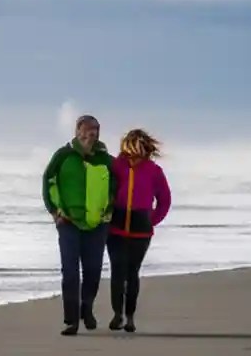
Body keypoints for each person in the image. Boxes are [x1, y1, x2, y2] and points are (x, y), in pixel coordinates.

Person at [42, 114, 115, 336]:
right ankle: (71, 321)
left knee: (93, 271)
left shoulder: (106, 160)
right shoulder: (63, 155)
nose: (91, 134)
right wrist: (54, 212)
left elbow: (116, 187)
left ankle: (87, 308)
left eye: (95, 130)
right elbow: (47, 181)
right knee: (70, 273)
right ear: (77, 131)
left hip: (97, 225)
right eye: (86, 130)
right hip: (69, 223)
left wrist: (110, 209)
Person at [106, 128, 170, 333]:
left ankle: (130, 316)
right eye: (132, 145)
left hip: (141, 229)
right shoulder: (116, 165)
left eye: (139, 146)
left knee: (132, 272)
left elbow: (165, 200)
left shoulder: (154, 170)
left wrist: (152, 220)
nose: (135, 151)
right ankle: (118, 314)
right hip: (116, 225)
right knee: (117, 271)